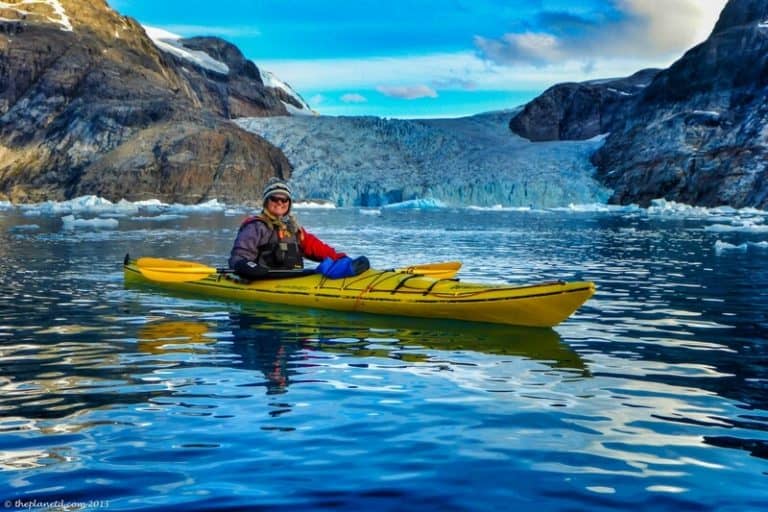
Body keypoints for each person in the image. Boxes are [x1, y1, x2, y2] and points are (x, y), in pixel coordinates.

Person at [229, 177, 369, 279]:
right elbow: (238, 257)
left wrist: (341, 258)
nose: (280, 202)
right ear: (266, 202)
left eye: (284, 199)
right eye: (274, 199)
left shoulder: (294, 230)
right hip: (264, 281)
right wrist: (247, 267)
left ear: (289, 204)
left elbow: (318, 248)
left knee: (329, 266)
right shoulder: (255, 227)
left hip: (293, 279)